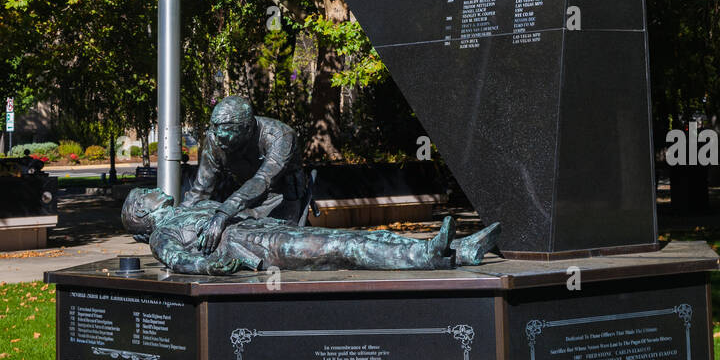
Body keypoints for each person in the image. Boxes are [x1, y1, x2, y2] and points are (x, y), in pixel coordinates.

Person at [122, 186, 501, 275]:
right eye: (149, 193)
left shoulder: (191, 208)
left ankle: (456, 251)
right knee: (345, 246)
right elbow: (179, 259)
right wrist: (208, 267)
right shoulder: (161, 235)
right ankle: (426, 255)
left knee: (356, 239)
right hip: (258, 246)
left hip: (266, 230)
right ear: (143, 210)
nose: (158, 190)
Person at [182, 95, 306, 254]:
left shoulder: (281, 136)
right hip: (244, 200)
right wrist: (171, 218)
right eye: (216, 135)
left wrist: (223, 213)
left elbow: (263, 179)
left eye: (226, 140)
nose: (219, 143)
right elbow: (200, 190)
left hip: (281, 199)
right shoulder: (216, 137)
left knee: (271, 244)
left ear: (247, 129)